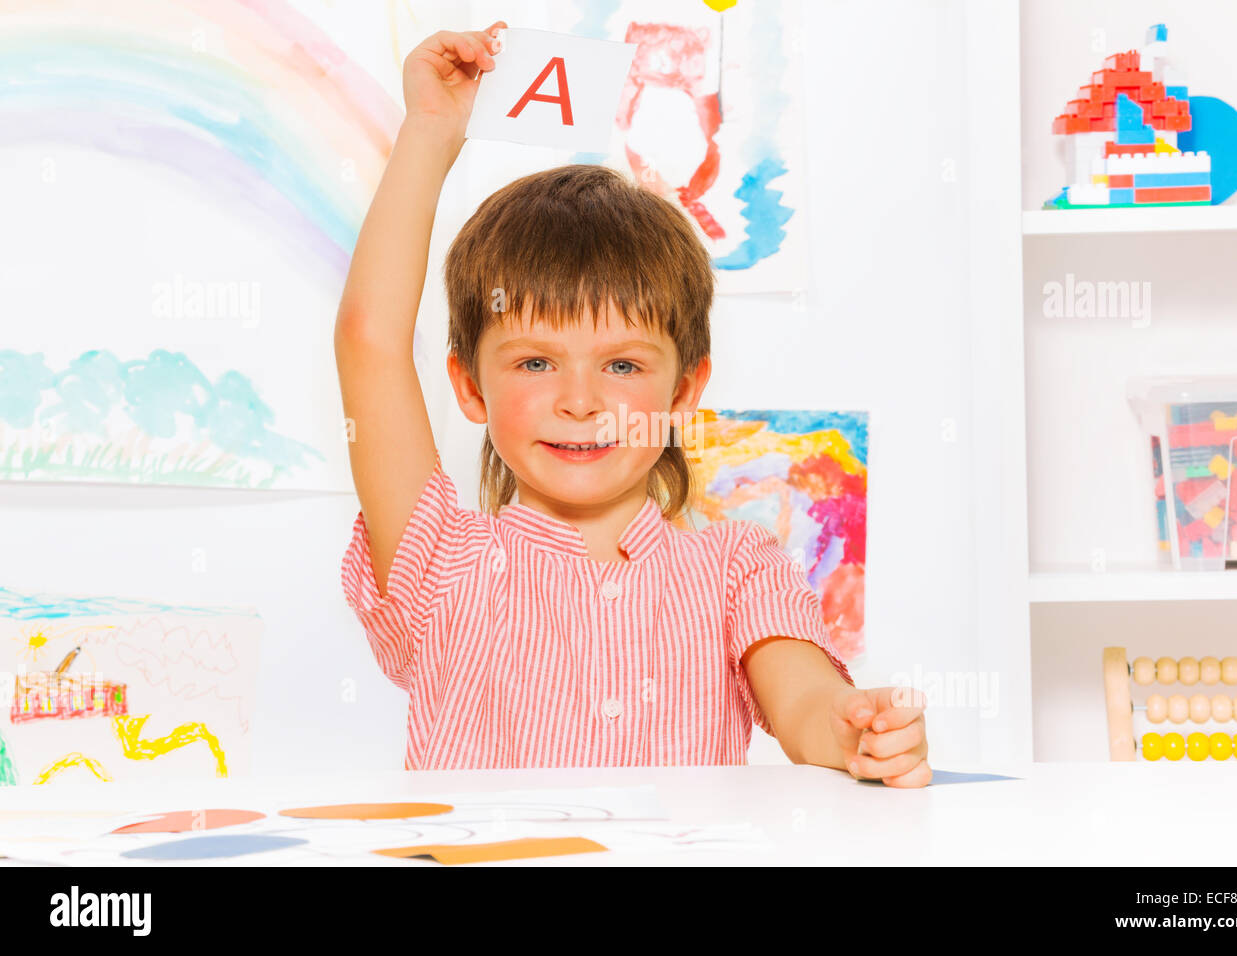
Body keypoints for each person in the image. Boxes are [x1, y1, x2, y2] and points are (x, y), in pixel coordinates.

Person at [335, 21, 930, 785]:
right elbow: (369, 341)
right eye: (537, 361)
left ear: (683, 389)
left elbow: (805, 701)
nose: (580, 400)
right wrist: (430, 131)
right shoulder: (443, 566)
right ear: (470, 387)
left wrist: (852, 733)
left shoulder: (735, 569)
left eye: (620, 364)